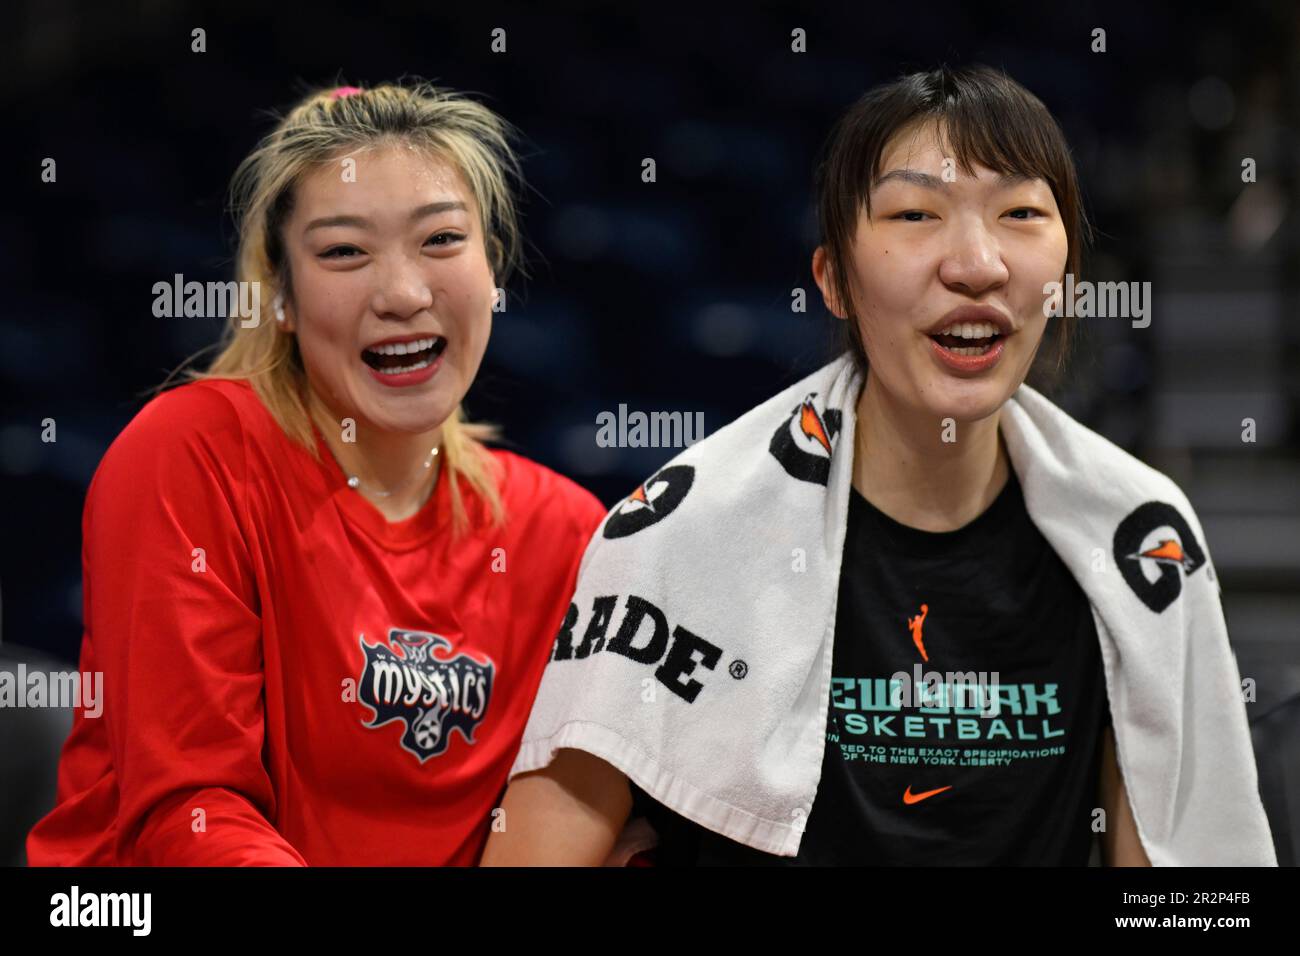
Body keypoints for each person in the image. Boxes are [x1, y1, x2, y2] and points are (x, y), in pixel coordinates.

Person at [480, 65, 1277, 867]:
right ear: (833, 281)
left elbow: (1183, 891)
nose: (976, 264)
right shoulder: (681, 532)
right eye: (915, 213)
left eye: (1021, 213)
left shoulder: (1138, 539)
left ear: (1066, 275)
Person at [26, 81, 606, 866]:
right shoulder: (191, 455)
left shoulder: (564, 530)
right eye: (343, 252)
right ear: (282, 297)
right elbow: (190, 816)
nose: (402, 293)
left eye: (441, 240)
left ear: (493, 266)